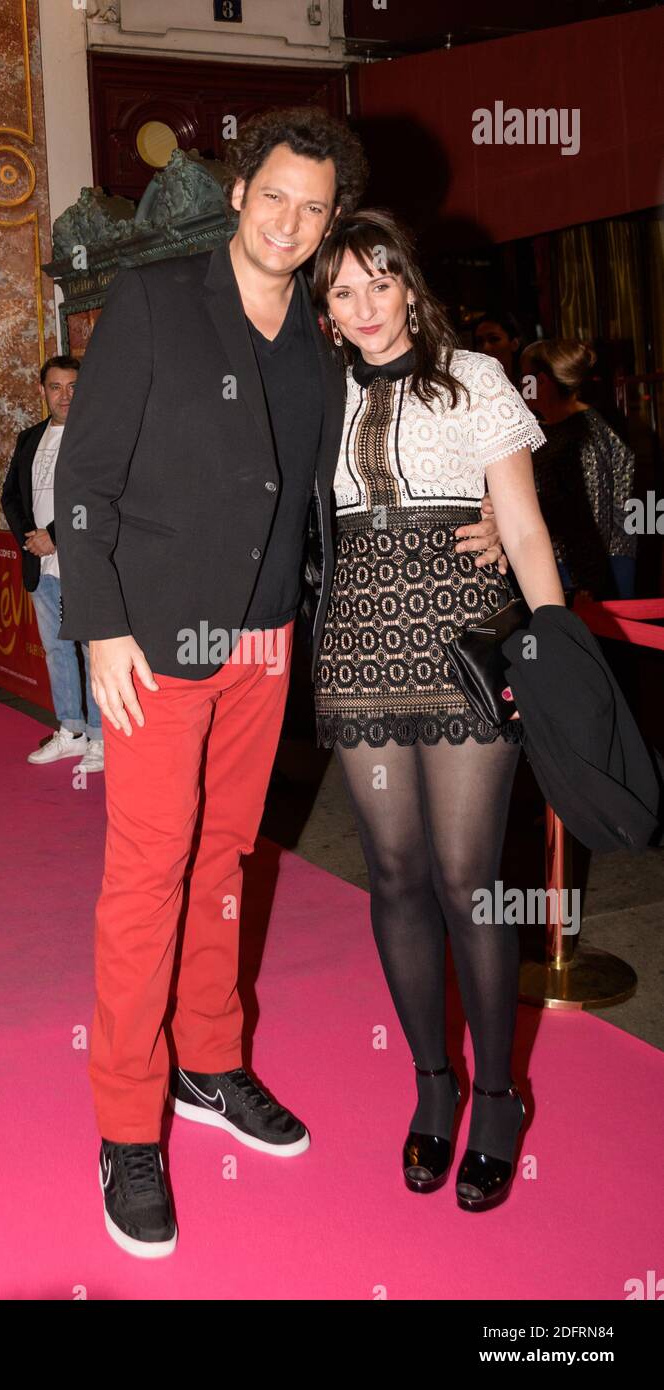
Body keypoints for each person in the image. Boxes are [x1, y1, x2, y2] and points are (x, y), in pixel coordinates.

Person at [53, 108, 503, 1257]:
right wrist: (100, 629)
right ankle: (124, 1129)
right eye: (274, 198)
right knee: (146, 879)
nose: (289, 224)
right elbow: (88, 482)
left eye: (313, 211)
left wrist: (497, 519)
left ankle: (208, 1062)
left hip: (262, 648)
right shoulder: (154, 302)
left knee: (223, 865)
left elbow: (414, 422)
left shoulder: (316, 337)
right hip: (153, 647)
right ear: (239, 186)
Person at [312, 209, 565, 1212]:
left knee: (468, 878)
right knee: (394, 875)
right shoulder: (311, 392)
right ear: (323, 313)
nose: (364, 306)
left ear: (408, 285)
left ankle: (497, 1095)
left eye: (379, 281)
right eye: (340, 292)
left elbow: (527, 527)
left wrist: (551, 646)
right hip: (359, 643)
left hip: (460, 642)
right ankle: (431, 1085)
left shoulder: (476, 380)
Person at [1, 356, 104, 770]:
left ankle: (101, 737)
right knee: (56, 650)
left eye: (74, 386)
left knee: (93, 650)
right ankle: (72, 730)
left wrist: (55, 536)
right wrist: (32, 537)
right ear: (42, 390)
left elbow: (97, 497)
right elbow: (11, 496)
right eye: (56, 387)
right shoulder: (29, 438)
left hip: (82, 562)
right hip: (39, 564)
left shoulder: (96, 437)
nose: (65, 396)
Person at [520, 338, 637, 600]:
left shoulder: (586, 434)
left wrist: (588, 585)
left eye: (524, 378)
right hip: (567, 566)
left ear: (542, 382)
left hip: (593, 572)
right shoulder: (556, 428)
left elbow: (594, 514)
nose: (520, 386)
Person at [473, 308, 524, 386]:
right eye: (480, 341)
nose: (485, 348)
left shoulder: (529, 381)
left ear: (514, 343)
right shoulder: (474, 385)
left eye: (494, 339)